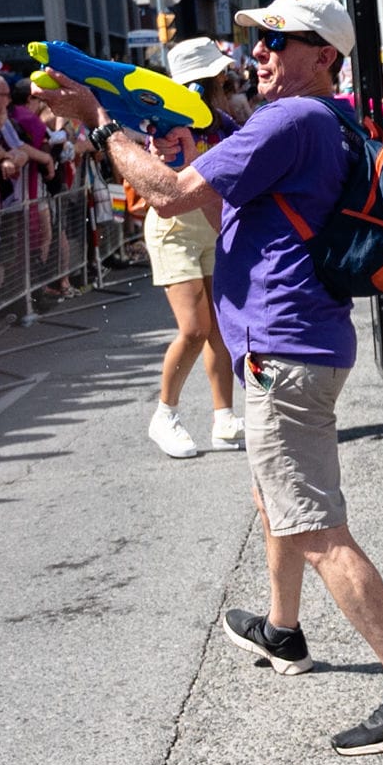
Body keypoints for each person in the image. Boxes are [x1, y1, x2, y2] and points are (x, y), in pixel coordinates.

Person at [42, 0, 383, 756]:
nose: (257, 53)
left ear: (325, 57)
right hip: (300, 345)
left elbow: (169, 195)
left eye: (277, 41)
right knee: (279, 502)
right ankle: (283, 630)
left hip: (284, 351)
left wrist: (102, 125)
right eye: (257, 41)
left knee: (314, 525)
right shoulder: (325, 120)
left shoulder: (289, 119)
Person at [141, 37, 244, 459]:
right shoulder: (164, 122)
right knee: (195, 328)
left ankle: (224, 417)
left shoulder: (221, 118)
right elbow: (163, 168)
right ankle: (165, 415)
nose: (223, 79)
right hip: (175, 229)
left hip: (213, 224)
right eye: (214, 75)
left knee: (218, 327)